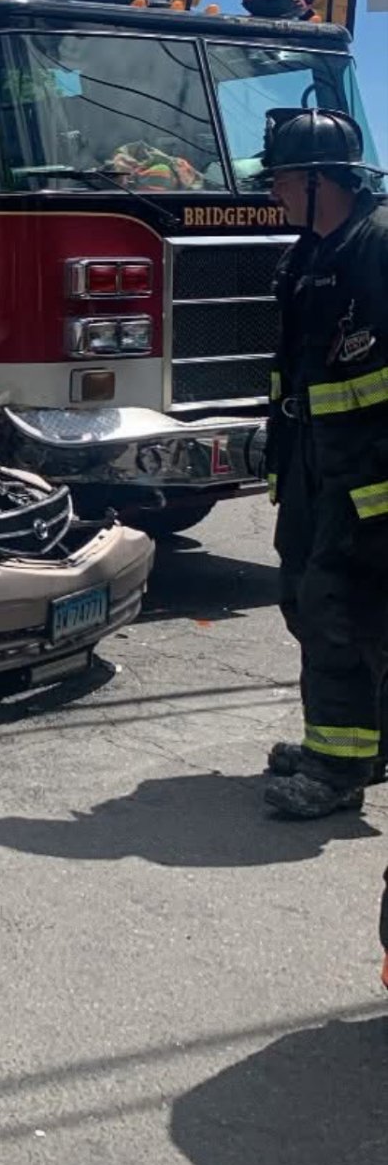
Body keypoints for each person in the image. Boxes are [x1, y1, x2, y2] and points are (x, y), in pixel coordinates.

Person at [258, 108, 388, 818]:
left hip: (369, 473)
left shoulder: (378, 246)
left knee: (341, 611)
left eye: (280, 177)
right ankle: (366, 741)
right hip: (313, 467)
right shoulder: (309, 254)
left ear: (318, 179)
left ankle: (337, 768)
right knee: (306, 600)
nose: (272, 190)